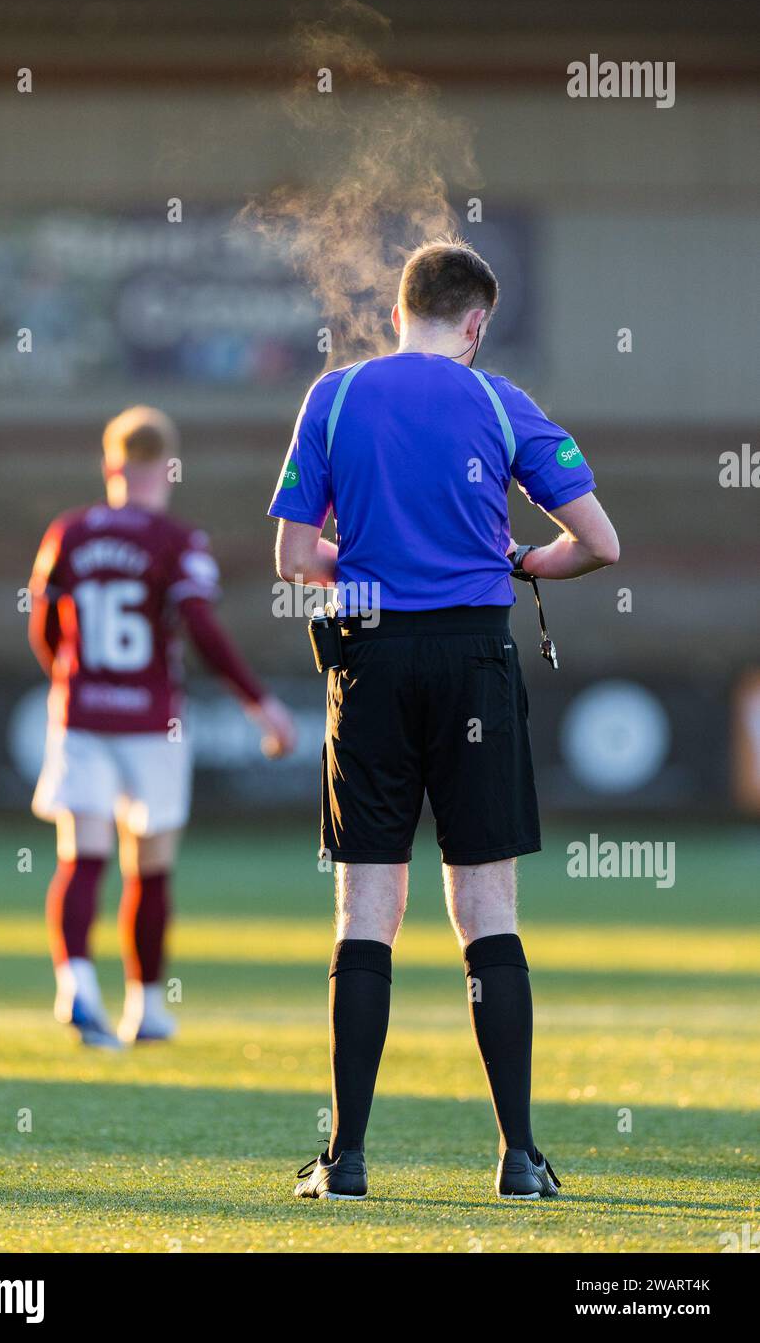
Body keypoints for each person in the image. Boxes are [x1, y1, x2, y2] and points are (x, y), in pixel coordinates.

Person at [268, 238, 619, 1201]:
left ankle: (343, 1162)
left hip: (371, 659)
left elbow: (296, 561)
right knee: (487, 911)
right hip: (474, 663)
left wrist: (368, 559)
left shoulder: (333, 397)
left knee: (366, 911)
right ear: (475, 325)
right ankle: (517, 1159)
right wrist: (518, 562)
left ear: (397, 314)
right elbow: (598, 543)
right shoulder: (502, 402)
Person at [29, 405, 296, 1048]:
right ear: (168, 468)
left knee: (81, 854)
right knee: (150, 865)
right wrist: (258, 703)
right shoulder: (177, 542)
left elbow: (43, 627)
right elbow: (201, 625)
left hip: (83, 713)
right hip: (152, 721)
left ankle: (77, 985)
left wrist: (71, 679)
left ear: (110, 464)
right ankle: (145, 1005)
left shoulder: (68, 532)